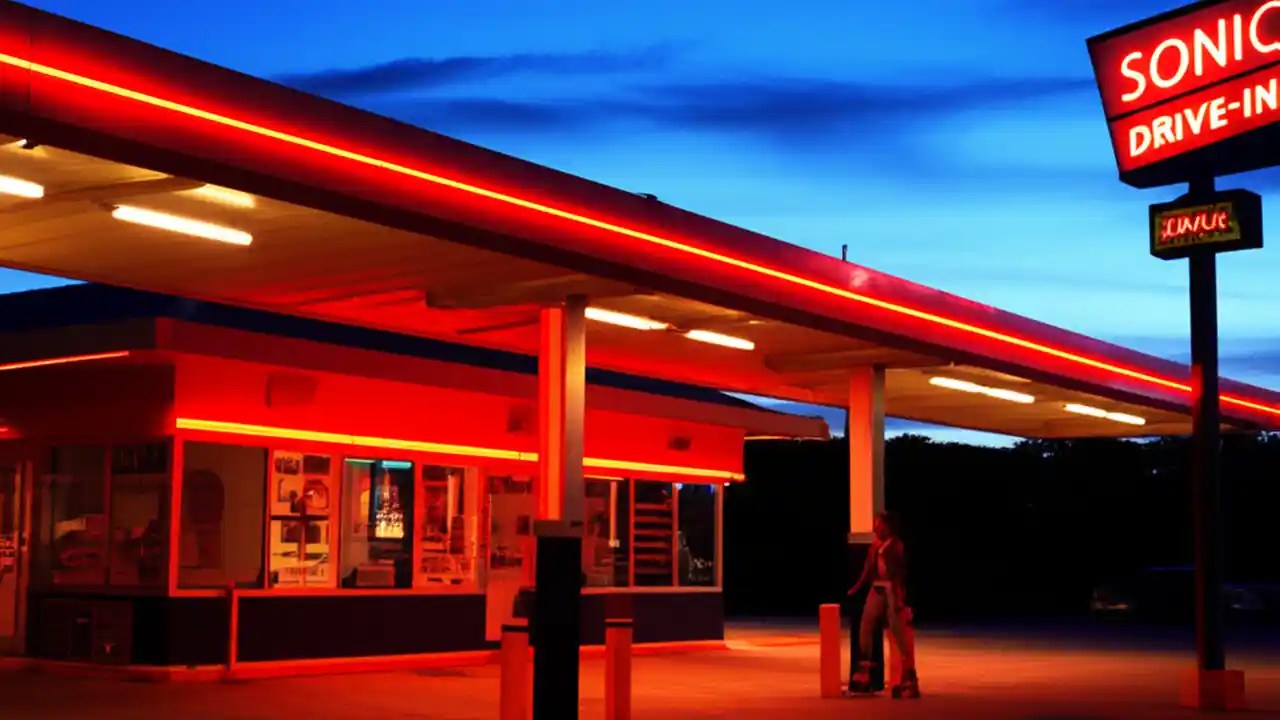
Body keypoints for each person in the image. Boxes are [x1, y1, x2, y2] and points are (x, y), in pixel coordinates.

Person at [846, 511, 919, 698]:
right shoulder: (875, 545)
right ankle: (864, 674)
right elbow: (867, 569)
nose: (875, 527)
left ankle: (909, 678)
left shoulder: (896, 546)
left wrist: (899, 598)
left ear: (888, 526)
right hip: (877, 588)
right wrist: (857, 586)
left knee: (899, 633)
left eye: (879, 524)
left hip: (892, 589)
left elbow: (898, 573)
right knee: (866, 626)